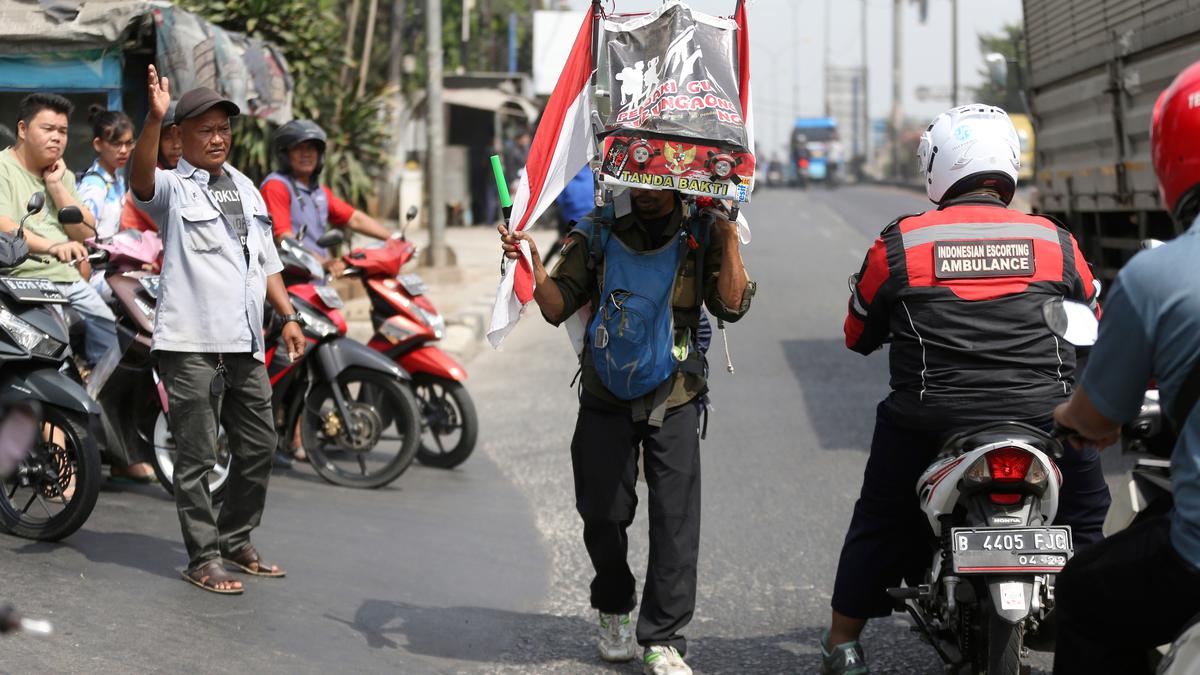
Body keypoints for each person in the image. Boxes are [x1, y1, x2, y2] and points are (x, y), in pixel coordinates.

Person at [821, 104, 1112, 674]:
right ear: (1007, 165)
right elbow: (1092, 321)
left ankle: (843, 645)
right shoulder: (1055, 239)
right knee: (1088, 516)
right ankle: (1098, 629)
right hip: (1044, 420)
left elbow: (857, 333)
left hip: (929, 419)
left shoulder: (898, 243)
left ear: (938, 166)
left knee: (880, 518)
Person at [500, 187, 754, 675]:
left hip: (675, 392)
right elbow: (556, 308)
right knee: (602, 512)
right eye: (637, 177)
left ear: (676, 176)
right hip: (606, 389)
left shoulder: (702, 228)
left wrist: (728, 233)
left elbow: (732, 306)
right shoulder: (597, 229)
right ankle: (614, 605)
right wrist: (531, 261)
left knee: (675, 521)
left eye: (656, 178)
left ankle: (664, 639)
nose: (646, 189)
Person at [129, 66, 306, 595]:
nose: (217, 137)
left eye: (223, 129)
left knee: (258, 444)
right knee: (198, 454)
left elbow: (267, 261)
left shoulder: (248, 189)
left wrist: (290, 316)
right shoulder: (172, 189)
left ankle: (236, 538)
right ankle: (202, 556)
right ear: (178, 140)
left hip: (245, 342)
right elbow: (139, 180)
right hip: (191, 345)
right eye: (204, 129)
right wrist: (155, 118)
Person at [1051, 61, 1200, 675]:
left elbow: (1098, 417)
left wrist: (1068, 415)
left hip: (1192, 561)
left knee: (1085, 594)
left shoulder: (1155, 276)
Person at [0, 94, 116, 369]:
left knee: (109, 331)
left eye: (63, 131)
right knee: (52, 350)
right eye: (48, 129)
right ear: (23, 129)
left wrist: (56, 187)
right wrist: (52, 247)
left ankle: (94, 395)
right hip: (19, 281)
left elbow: (84, 231)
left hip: (66, 279)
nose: (57, 138)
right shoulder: (3, 168)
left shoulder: (60, 173)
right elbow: (3, 224)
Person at [260, 119, 391, 278]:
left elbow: (354, 219)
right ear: (285, 154)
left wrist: (393, 240)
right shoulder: (276, 186)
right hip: (289, 282)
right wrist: (322, 262)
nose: (306, 153)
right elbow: (284, 238)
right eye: (298, 148)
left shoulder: (318, 192)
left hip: (316, 279)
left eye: (311, 148)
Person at [121, 101, 181, 234]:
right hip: (140, 250)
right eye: (167, 138)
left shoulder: (193, 172)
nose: (176, 145)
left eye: (181, 136)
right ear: (157, 142)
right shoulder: (149, 177)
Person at [78, 105, 134, 240]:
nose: (124, 150)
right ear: (98, 144)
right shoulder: (94, 185)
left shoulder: (117, 179)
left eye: (129, 143)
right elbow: (85, 233)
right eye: (116, 144)